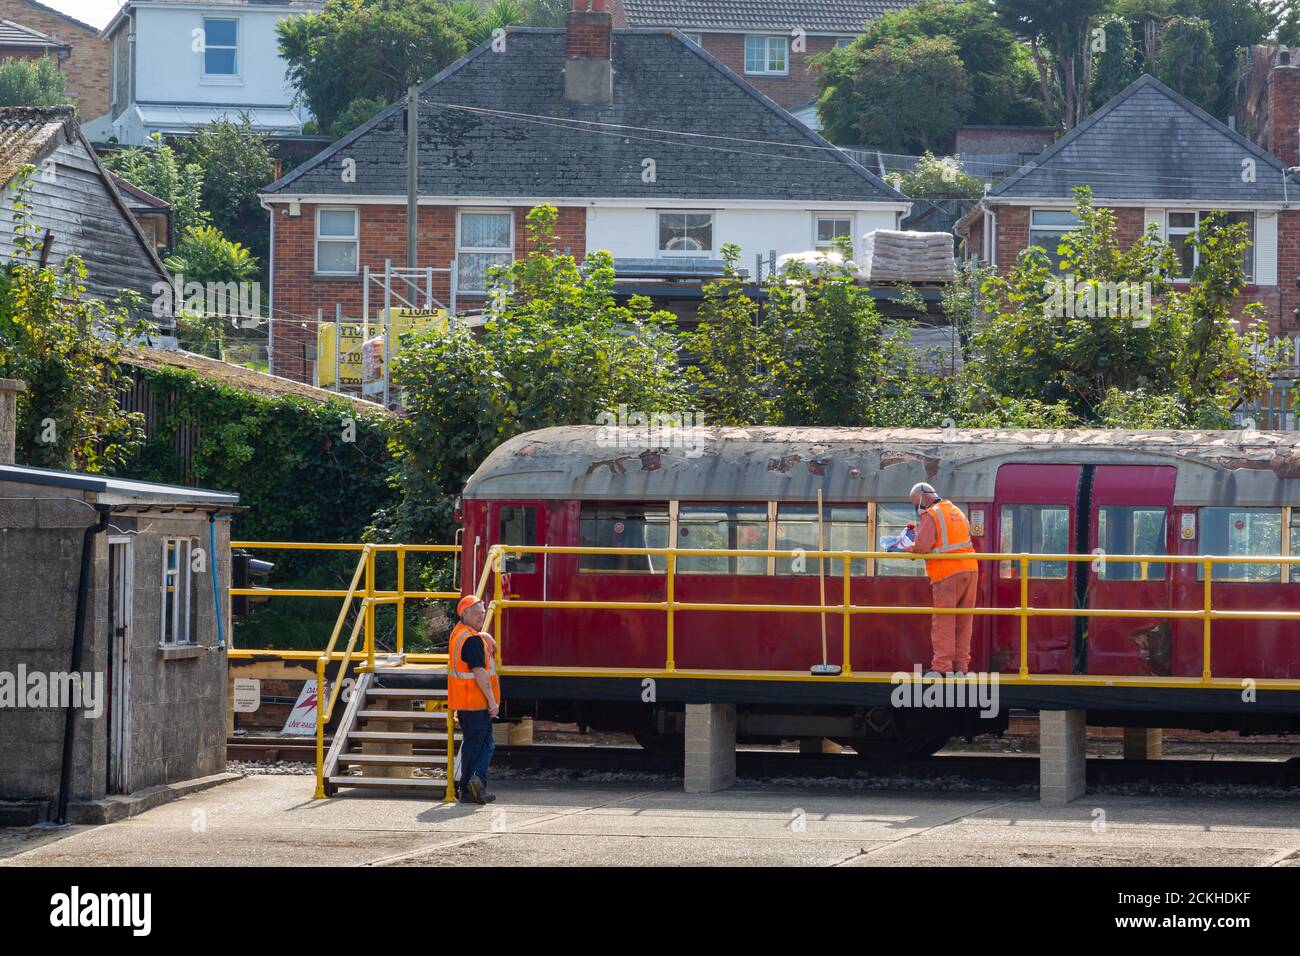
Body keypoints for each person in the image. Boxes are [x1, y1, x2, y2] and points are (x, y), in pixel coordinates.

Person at [904, 482, 979, 675]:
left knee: (944, 621)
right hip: (970, 569)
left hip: (947, 572)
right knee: (964, 621)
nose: (918, 507)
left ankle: (942, 668)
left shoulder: (932, 513)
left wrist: (906, 548)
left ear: (923, 496)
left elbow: (922, 546)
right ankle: (961, 668)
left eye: (916, 503)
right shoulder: (956, 511)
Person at [448, 595, 500, 804]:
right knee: (482, 745)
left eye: (483, 613)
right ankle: (475, 782)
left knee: (476, 744)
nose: (482, 616)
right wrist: (492, 701)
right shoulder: (471, 639)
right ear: (465, 614)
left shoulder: (459, 634)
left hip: (466, 701)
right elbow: (479, 672)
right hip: (476, 702)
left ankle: (470, 789)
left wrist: (486, 636)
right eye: (478, 613)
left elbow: (490, 650)